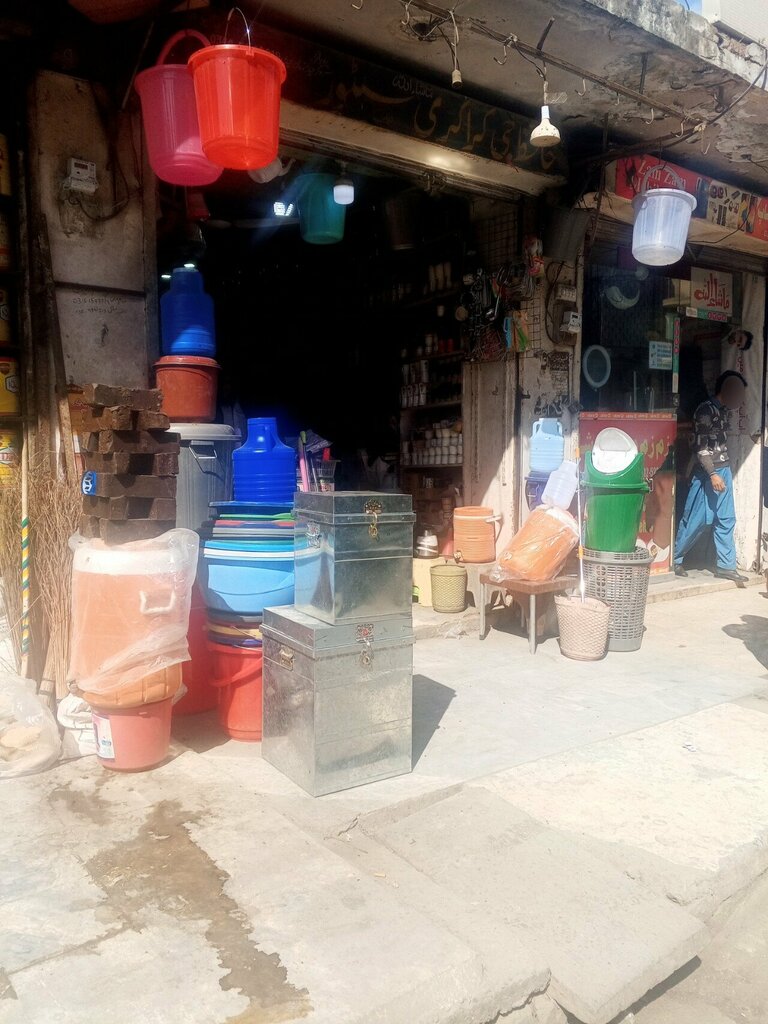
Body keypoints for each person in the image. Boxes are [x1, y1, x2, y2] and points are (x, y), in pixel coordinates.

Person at [674, 370, 748, 582]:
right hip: (708, 473)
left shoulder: (722, 411)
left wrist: (720, 472)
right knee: (696, 520)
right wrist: (713, 474)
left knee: (726, 519)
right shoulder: (705, 411)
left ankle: (726, 566)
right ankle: (676, 559)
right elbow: (701, 447)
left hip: (722, 469)